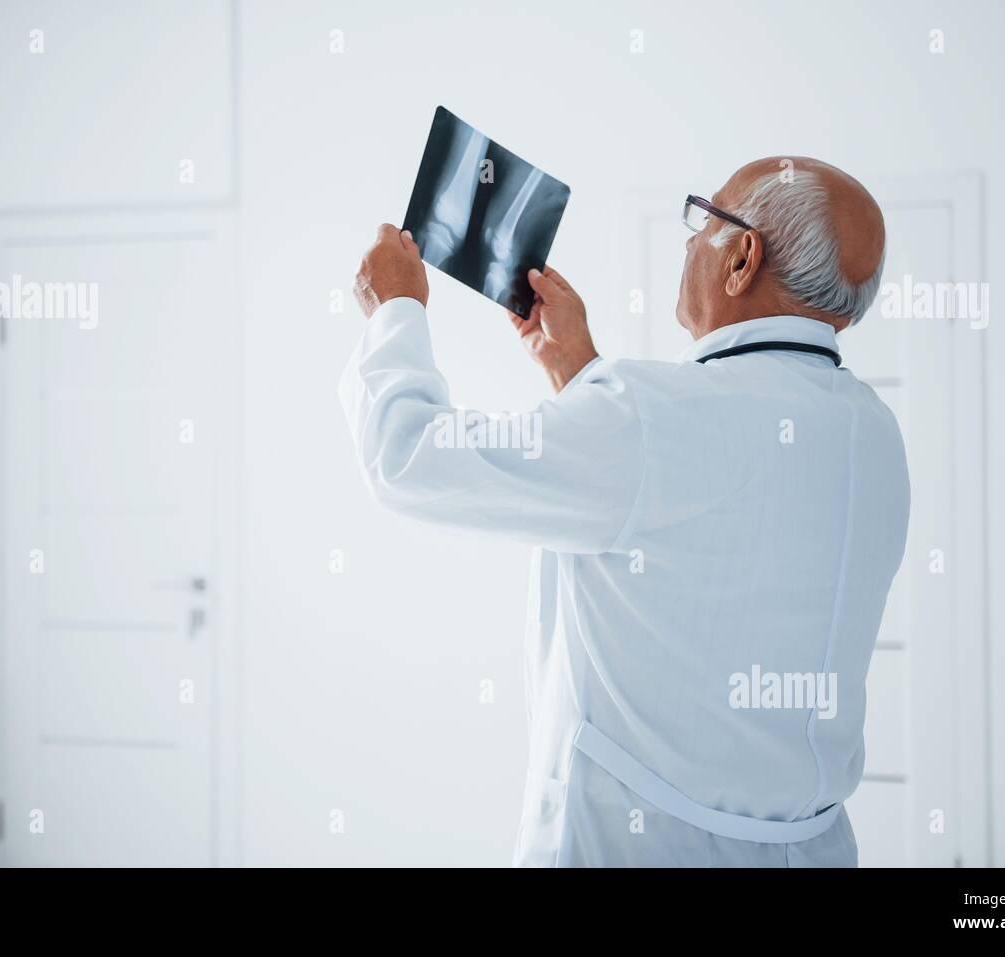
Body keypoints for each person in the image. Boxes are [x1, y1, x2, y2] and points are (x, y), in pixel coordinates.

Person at [339, 156, 909, 867]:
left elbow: (409, 456)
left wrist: (394, 311)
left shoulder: (648, 415)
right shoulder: (874, 430)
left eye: (706, 217)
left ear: (742, 258)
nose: (690, 239)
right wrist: (580, 374)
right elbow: (705, 522)